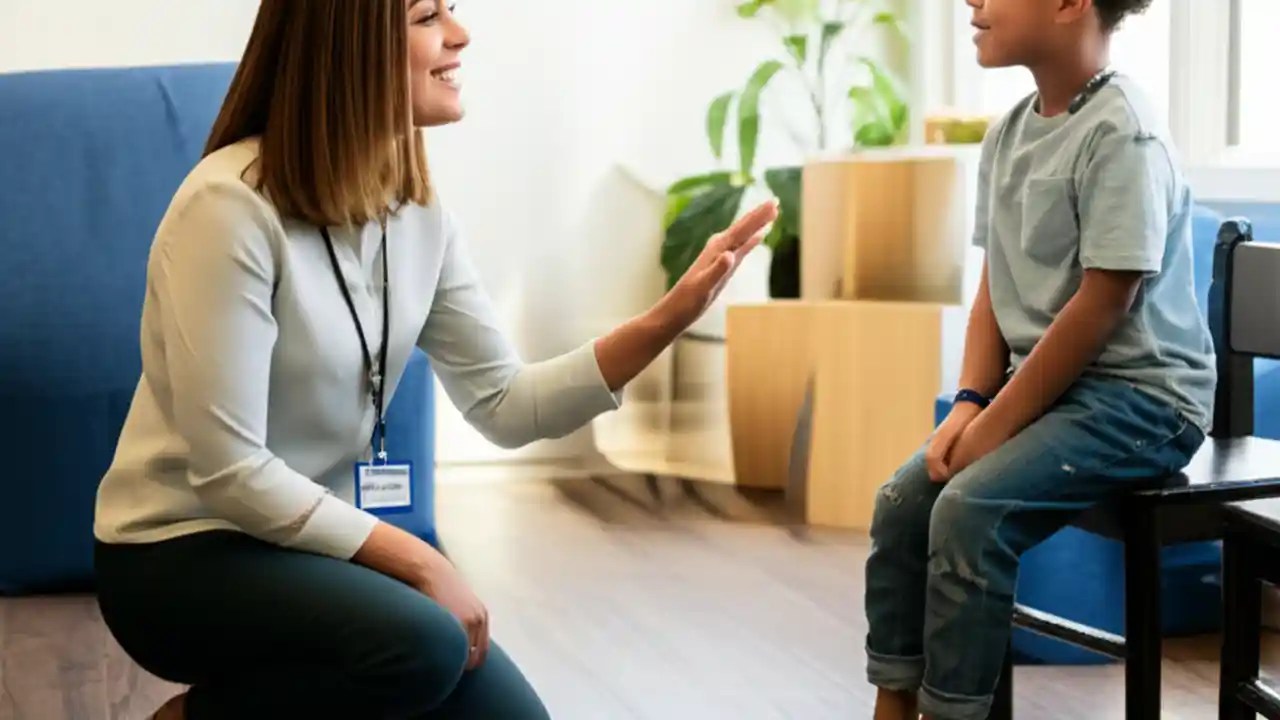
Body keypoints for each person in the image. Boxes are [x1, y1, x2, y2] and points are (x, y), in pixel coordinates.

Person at [92, 2, 777, 718]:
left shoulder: (416, 214)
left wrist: (669, 318)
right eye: (427, 16)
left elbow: (508, 405)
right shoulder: (228, 207)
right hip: (178, 556)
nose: (461, 34)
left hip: (304, 549)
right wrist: (422, 563)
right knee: (423, 644)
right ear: (348, 40)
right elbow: (231, 470)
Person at [863, 0, 1214, 718]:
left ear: (1069, 4)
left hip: (1143, 401)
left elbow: (1102, 305)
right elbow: (995, 285)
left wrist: (993, 430)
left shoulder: (1126, 132)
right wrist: (969, 401)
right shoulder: (1010, 134)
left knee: (968, 511)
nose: (973, 3)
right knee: (902, 504)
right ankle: (893, 704)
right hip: (1052, 393)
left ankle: (950, 713)